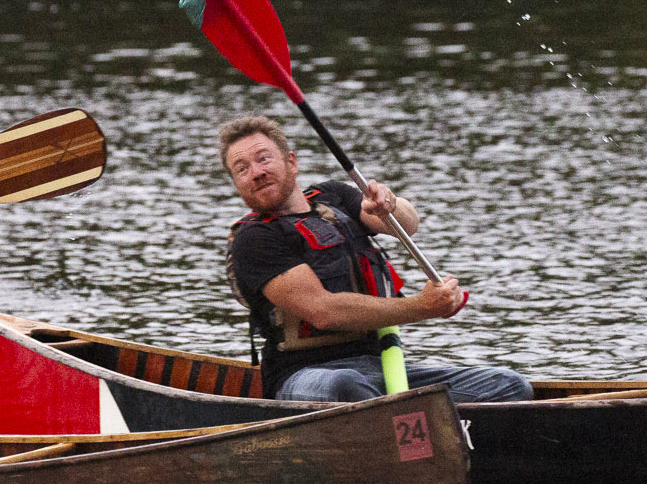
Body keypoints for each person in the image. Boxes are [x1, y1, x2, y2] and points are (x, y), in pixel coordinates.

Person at [220, 114, 532, 405]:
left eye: (263, 158)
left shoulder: (335, 196)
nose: (257, 173)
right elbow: (323, 312)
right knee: (347, 387)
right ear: (236, 183)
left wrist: (391, 205)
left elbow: (407, 225)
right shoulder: (253, 240)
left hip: (382, 366)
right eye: (242, 168)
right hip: (305, 378)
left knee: (510, 385)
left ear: (291, 162)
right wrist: (422, 307)